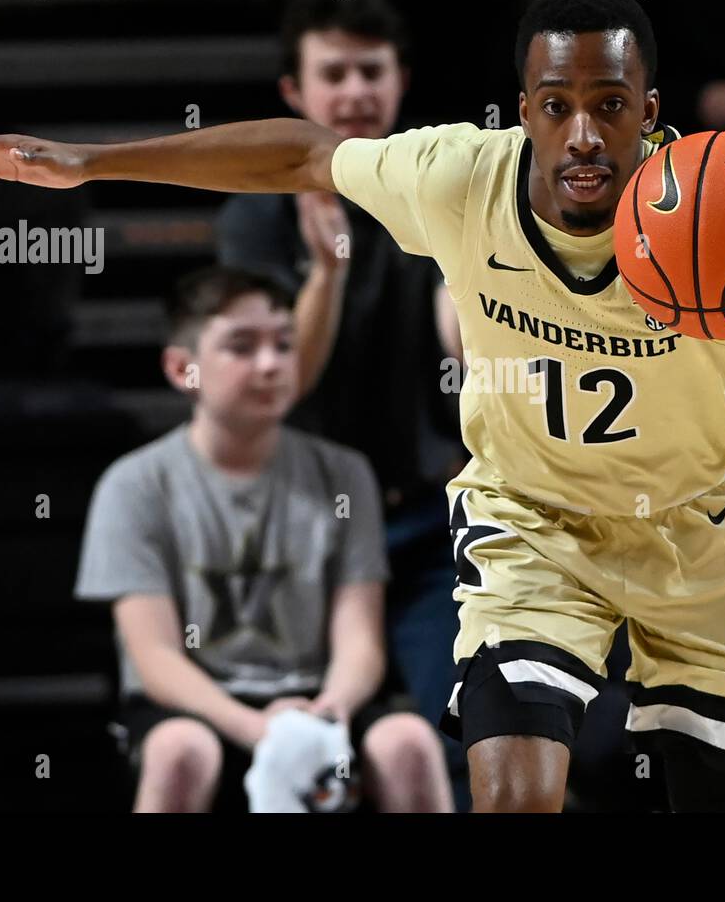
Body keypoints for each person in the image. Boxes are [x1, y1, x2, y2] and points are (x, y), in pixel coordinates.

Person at [0, 0, 725, 813]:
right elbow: (300, 153)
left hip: (698, 533)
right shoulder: (454, 175)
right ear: (521, 107)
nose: (581, 132)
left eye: (609, 104)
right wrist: (91, 160)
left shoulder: (717, 203)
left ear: (649, 111)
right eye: (555, 102)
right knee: (511, 791)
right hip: (537, 525)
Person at [73, 267, 452, 813]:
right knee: (182, 750)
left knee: (408, 742)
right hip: (199, 707)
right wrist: (256, 728)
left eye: (284, 344)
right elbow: (153, 658)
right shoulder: (134, 485)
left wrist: (328, 711)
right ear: (184, 369)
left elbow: (360, 640)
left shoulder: (345, 475)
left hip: (315, 696)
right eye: (241, 347)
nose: (271, 364)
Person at [214, 0, 467, 793]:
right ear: (294, 93)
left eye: (372, 71)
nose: (355, 91)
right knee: (313, 753)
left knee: (455, 732)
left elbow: (468, 355)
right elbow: (283, 384)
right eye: (335, 73)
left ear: (401, 81)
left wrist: (473, 265)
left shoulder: (438, 195)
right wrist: (326, 273)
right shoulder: (257, 215)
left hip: (429, 517)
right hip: (304, 529)